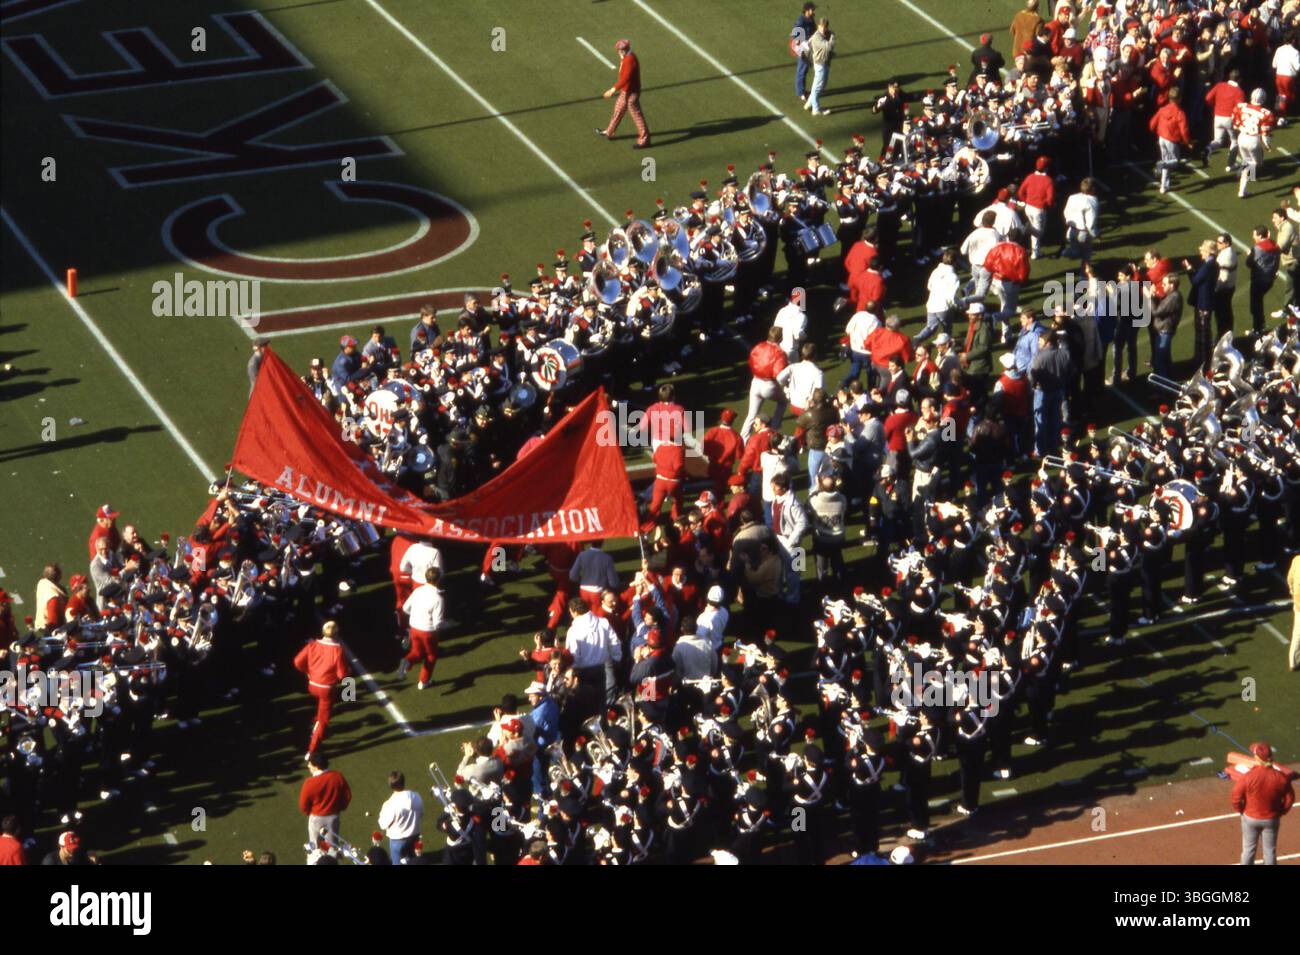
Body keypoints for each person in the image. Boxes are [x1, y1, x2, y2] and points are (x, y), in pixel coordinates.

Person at [292, 620, 352, 757]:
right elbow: (342, 675)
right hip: (326, 688)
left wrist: (308, 672)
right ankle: (312, 750)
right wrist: (348, 671)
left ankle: (316, 722)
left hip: (312, 684)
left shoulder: (312, 644)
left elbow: (297, 662)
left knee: (322, 710)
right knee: (324, 719)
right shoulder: (337, 649)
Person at [1231, 742, 1295, 865]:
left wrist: (1241, 810)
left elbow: (1235, 797)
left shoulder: (1248, 777)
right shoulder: (1281, 777)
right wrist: (1281, 812)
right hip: (1271, 818)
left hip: (1250, 817)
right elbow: (1290, 798)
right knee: (1270, 851)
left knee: (1248, 850)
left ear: (1257, 758)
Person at [598, 40, 650, 149]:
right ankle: (609, 131)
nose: (619, 52)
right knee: (618, 109)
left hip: (632, 92)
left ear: (624, 50)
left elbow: (626, 78)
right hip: (626, 91)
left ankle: (644, 140)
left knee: (636, 115)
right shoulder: (627, 57)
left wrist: (612, 90)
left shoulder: (629, 60)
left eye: (620, 50)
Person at [398, 567, 444, 690]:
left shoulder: (418, 591)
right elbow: (438, 622)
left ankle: (407, 661)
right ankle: (424, 681)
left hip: (414, 627)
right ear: (438, 579)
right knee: (431, 655)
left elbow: (405, 608)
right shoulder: (438, 598)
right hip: (428, 631)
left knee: (417, 652)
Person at [299, 752, 351, 850]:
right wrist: (339, 808)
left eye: (310, 763)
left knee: (315, 848)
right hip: (333, 818)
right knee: (332, 848)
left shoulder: (309, 783)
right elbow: (347, 796)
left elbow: (303, 806)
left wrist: (310, 812)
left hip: (316, 818)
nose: (308, 766)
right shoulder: (337, 777)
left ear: (316, 766)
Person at [1149, 87, 1192, 194]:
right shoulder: (1180, 113)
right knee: (1174, 162)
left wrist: (1154, 132)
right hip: (1171, 140)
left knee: (1167, 161)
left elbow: (1152, 123)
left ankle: (1164, 186)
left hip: (1161, 138)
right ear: (1179, 99)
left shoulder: (1162, 109)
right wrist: (1188, 142)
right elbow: (1184, 130)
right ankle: (1161, 165)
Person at [377, 770, 423, 865]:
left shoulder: (389, 804)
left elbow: (383, 825)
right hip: (415, 836)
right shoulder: (416, 796)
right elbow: (421, 814)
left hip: (398, 840)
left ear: (391, 785)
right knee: (413, 861)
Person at [804, 18, 836, 116]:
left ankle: (809, 104)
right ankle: (816, 109)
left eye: (825, 27)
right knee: (817, 88)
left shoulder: (822, 35)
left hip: (824, 63)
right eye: (821, 26)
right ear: (818, 26)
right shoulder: (817, 37)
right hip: (820, 65)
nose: (823, 28)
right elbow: (828, 47)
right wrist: (833, 37)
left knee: (820, 86)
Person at [791, 2, 817, 103]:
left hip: (809, 47)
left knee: (804, 70)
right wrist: (799, 41)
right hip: (803, 48)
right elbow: (796, 35)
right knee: (802, 70)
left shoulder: (810, 19)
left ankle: (802, 91)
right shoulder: (801, 21)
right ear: (807, 10)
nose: (814, 11)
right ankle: (801, 93)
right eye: (812, 9)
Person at [1289, 552, 1300, 672]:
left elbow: (1290, 578)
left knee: (1297, 634)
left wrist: (1292, 590)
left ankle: (1293, 661)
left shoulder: (1297, 560)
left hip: (1297, 603)